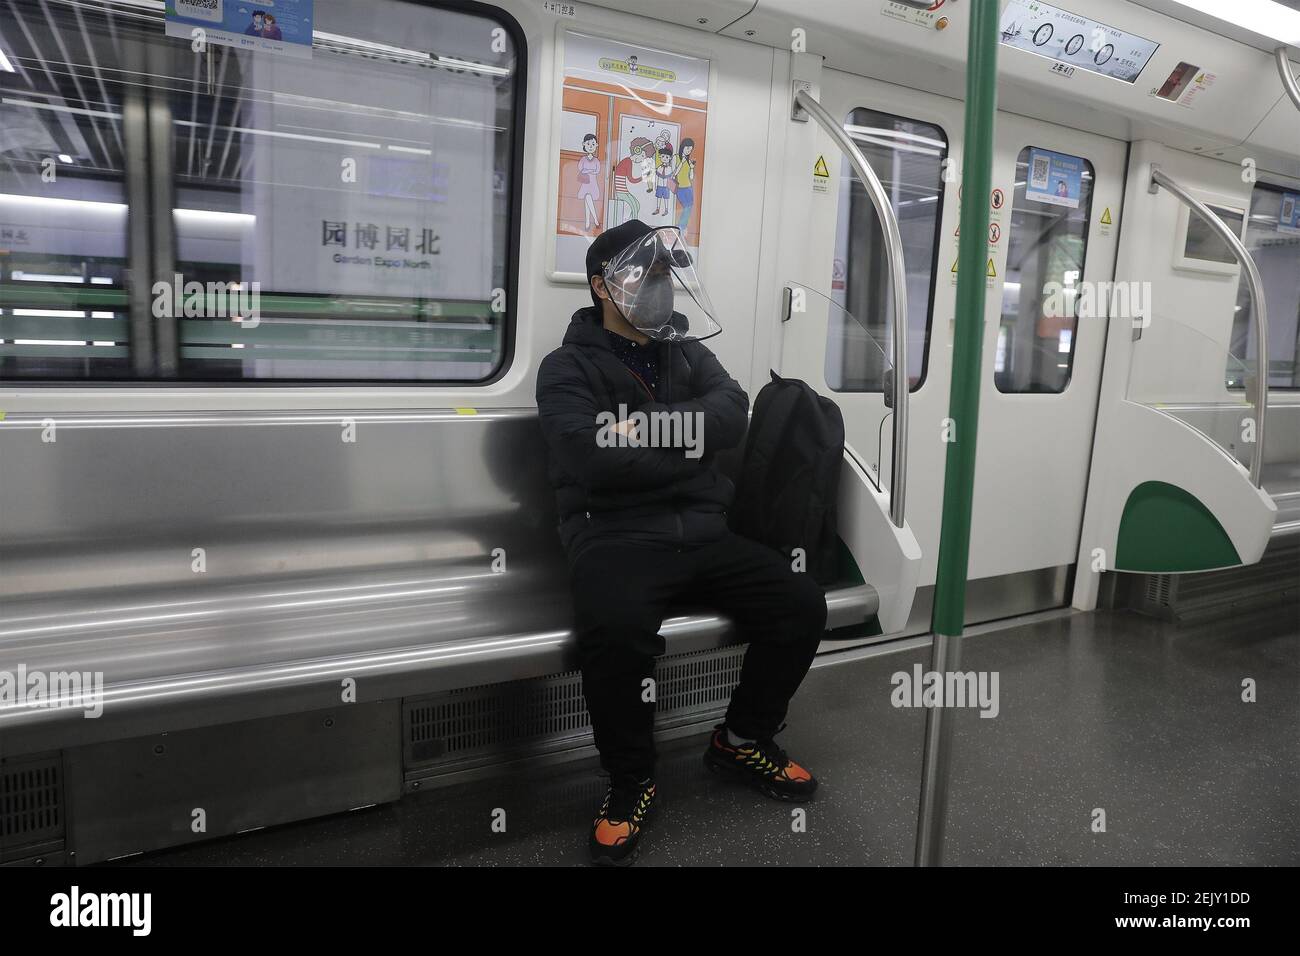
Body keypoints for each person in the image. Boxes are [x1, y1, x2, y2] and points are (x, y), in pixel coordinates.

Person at [535, 220, 827, 866]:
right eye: (645, 274)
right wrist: (687, 449)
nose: (661, 286)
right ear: (601, 287)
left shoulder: (688, 353)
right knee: (615, 633)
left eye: (666, 273)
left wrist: (640, 430)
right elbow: (591, 456)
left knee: (801, 603)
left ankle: (740, 738)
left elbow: (732, 413)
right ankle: (631, 779)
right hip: (613, 537)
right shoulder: (566, 367)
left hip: (701, 532)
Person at [576, 133, 601, 232]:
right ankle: (595, 220)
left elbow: (597, 170)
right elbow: (580, 168)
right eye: (588, 144)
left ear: (596, 145)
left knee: (587, 202)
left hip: (593, 184)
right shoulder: (583, 159)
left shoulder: (596, 160)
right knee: (587, 198)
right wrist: (589, 171)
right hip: (585, 183)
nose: (591, 146)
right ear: (584, 145)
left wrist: (588, 170)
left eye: (593, 144)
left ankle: (588, 222)